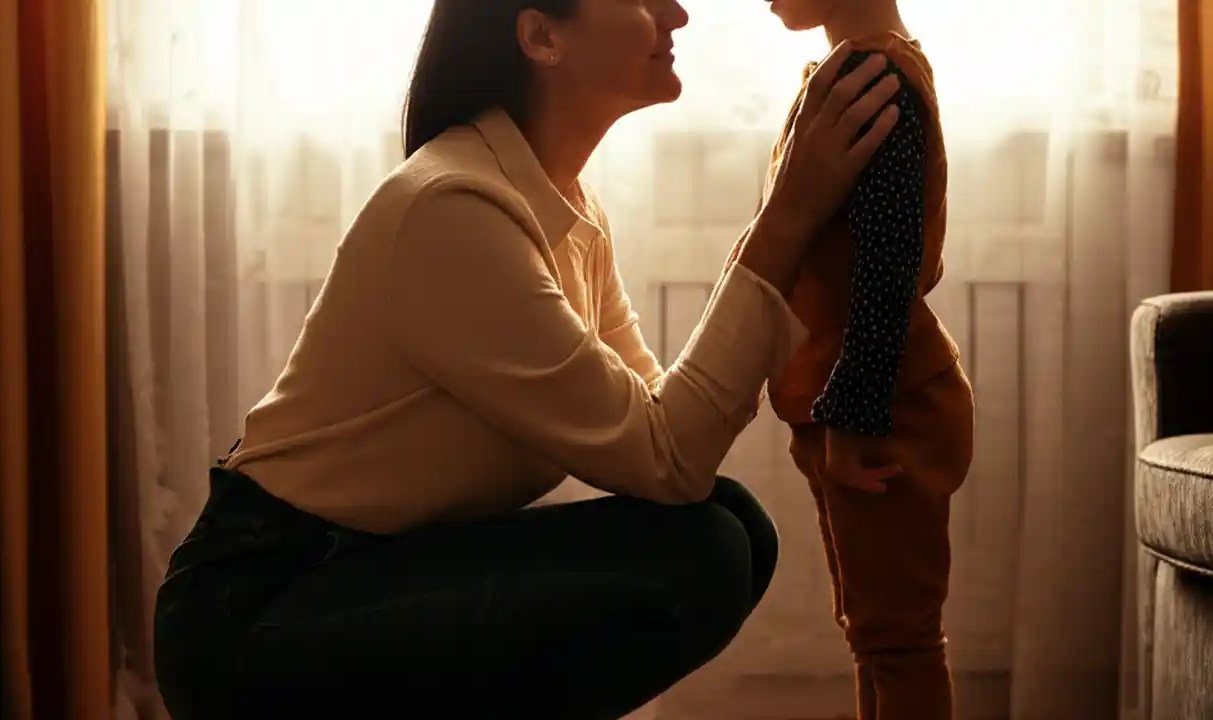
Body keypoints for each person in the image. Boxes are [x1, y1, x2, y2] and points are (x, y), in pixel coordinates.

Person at [152, 1, 904, 718]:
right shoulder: (453, 208)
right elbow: (669, 456)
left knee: (733, 525)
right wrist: (786, 217)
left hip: (374, 568)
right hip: (261, 610)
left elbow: (668, 440)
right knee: (705, 553)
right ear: (542, 36)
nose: (676, 13)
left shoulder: (561, 205)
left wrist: (792, 228)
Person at [740, 0, 977, 718]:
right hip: (857, 399)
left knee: (899, 643)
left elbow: (887, 267)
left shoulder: (876, 77)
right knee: (877, 637)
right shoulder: (863, 69)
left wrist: (852, 416)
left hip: (883, 408)